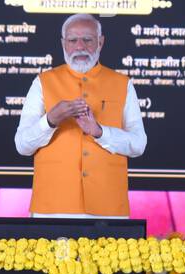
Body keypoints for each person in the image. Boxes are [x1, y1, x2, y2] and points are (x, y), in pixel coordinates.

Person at [14, 13, 146, 217]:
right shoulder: (43, 82)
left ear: (100, 42)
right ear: (63, 43)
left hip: (108, 207)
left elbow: (139, 144)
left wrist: (100, 132)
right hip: (53, 207)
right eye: (72, 40)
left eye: (87, 40)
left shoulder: (123, 84)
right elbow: (22, 145)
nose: (80, 47)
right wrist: (50, 121)